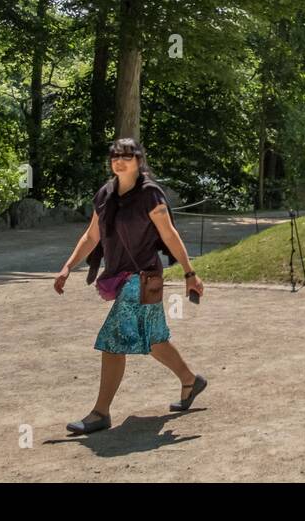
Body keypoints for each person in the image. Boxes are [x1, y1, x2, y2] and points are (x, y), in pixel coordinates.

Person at [53, 138, 206, 436]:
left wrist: (190, 273)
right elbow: (91, 236)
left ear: (139, 160)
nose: (119, 161)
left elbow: (170, 235)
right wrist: (68, 266)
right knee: (154, 340)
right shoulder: (105, 194)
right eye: (115, 156)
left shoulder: (150, 195)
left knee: (112, 340)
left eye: (127, 156)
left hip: (143, 277)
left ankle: (100, 412)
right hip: (121, 277)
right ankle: (190, 380)